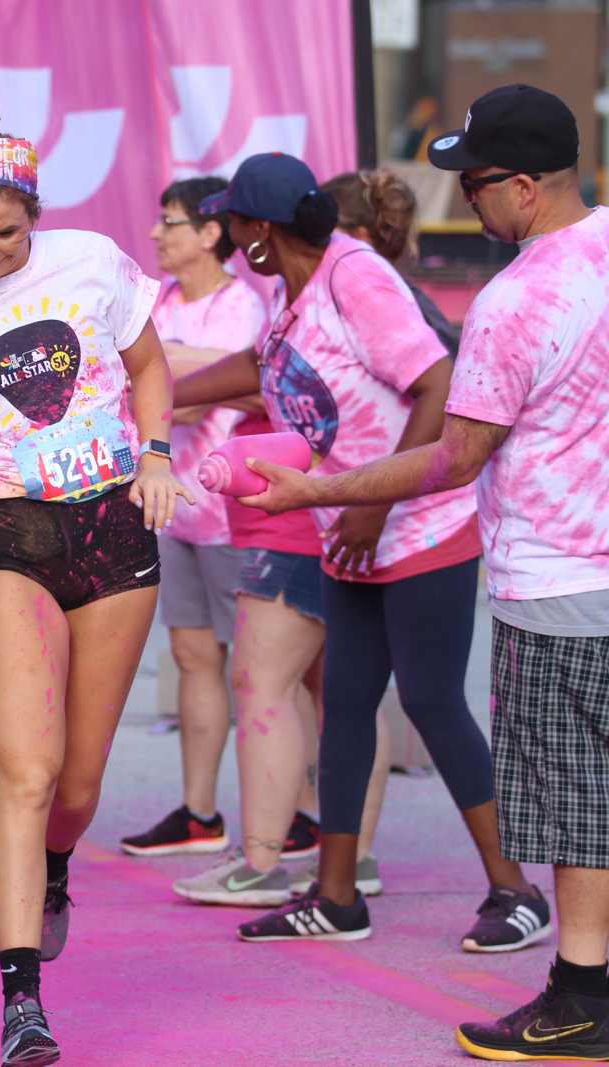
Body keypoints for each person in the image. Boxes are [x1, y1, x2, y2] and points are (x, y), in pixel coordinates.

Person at [242, 84, 609, 1063]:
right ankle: (339, 892)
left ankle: (576, 990)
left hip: (552, 576)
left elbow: (453, 453)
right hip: (583, 569)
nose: (465, 199)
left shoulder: (517, 298)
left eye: (475, 182)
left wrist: (320, 492)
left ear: (523, 186)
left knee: (575, 803)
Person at [173, 151, 545, 951]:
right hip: (349, 525)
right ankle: (335, 896)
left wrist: (377, 499)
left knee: (432, 699)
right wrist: (159, 392)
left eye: (234, 222)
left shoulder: (355, 277)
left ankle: (516, 889)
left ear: (259, 230)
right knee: (343, 702)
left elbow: (439, 385)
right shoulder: (288, 289)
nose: (227, 237)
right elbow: (260, 368)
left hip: (420, 523)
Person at [0, 109, 192, 1067]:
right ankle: (22, 1000)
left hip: (113, 528)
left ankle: (57, 865)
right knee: (22, 771)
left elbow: (150, 367)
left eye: (3, 233)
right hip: (10, 535)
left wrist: (154, 452)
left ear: (34, 217)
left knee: (77, 782)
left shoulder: (93, 262)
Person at [118, 177, 267, 858]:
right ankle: (200, 813)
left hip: (237, 514)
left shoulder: (243, 307)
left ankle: (299, 815)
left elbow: (177, 402)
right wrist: (173, 372)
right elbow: (139, 386)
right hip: (171, 509)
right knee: (191, 655)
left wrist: (163, 371)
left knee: (265, 670)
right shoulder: (155, 300)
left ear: (211, 233)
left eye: (170, 222)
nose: (156, 234)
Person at [322, 168, 461, 356]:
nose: (315, 243)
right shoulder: (332, 303)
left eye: (326, 232)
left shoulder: (397, 314)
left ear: (359, 239)